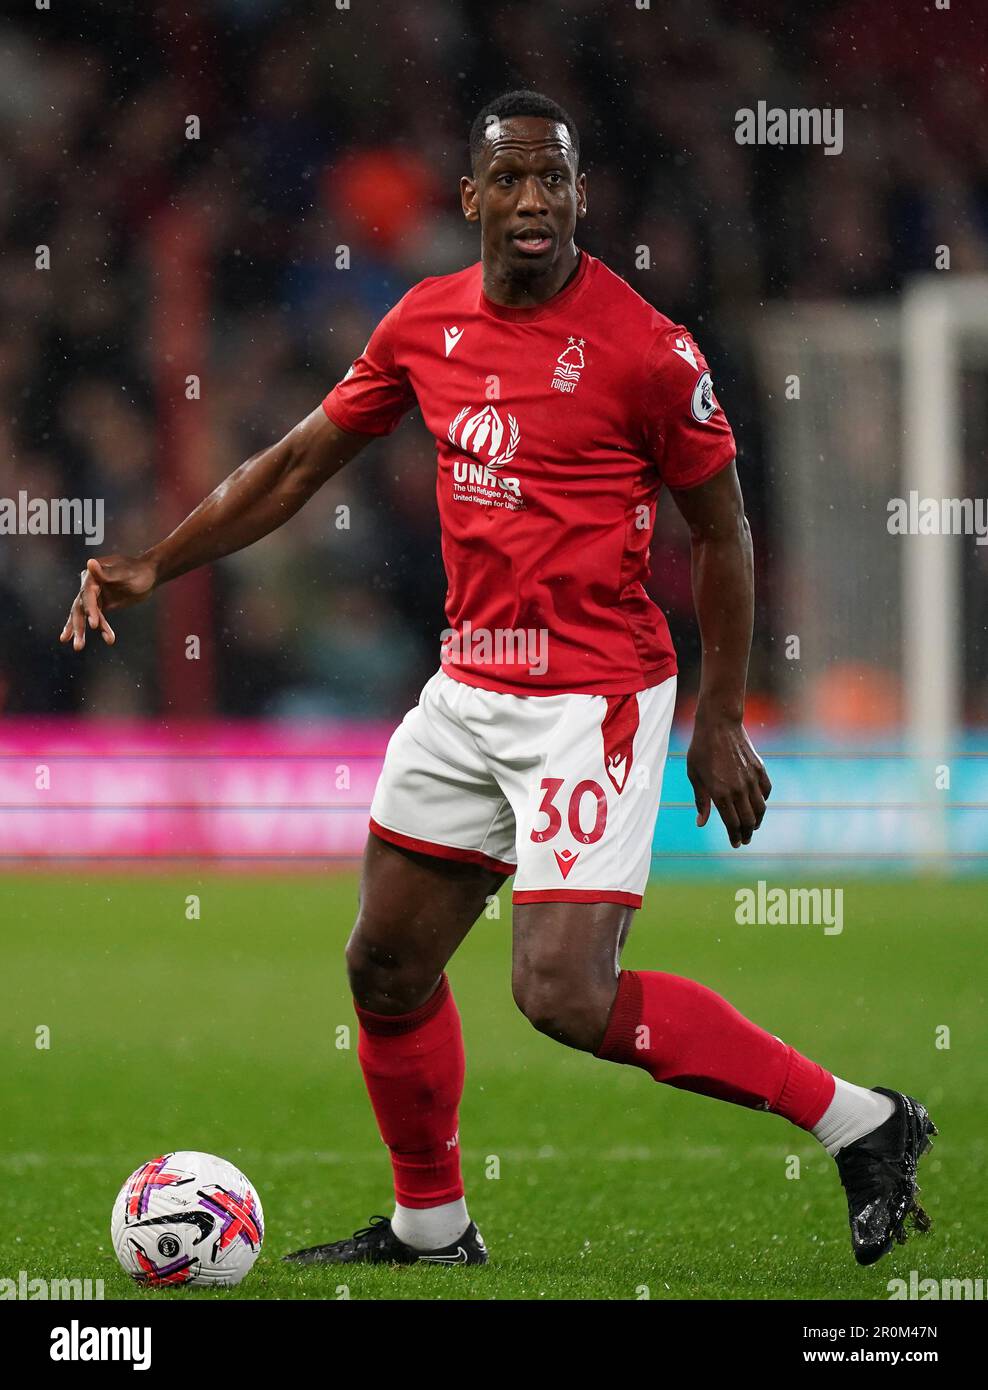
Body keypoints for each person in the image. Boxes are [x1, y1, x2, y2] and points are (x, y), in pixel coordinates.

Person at [60, 90, 936, 1270]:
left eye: (556, 181)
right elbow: (298, 462)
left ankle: (863, 1121)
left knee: (564, 994)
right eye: (511, 179)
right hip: (469, 689)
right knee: (383, 963)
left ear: (580, 197)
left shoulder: (646, 349)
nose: (535, 201)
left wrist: (720, 714)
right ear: (469, 197)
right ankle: (432, 1226)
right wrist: (157, 563)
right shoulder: (424, 323)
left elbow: (722, 533)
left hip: (595, 697)